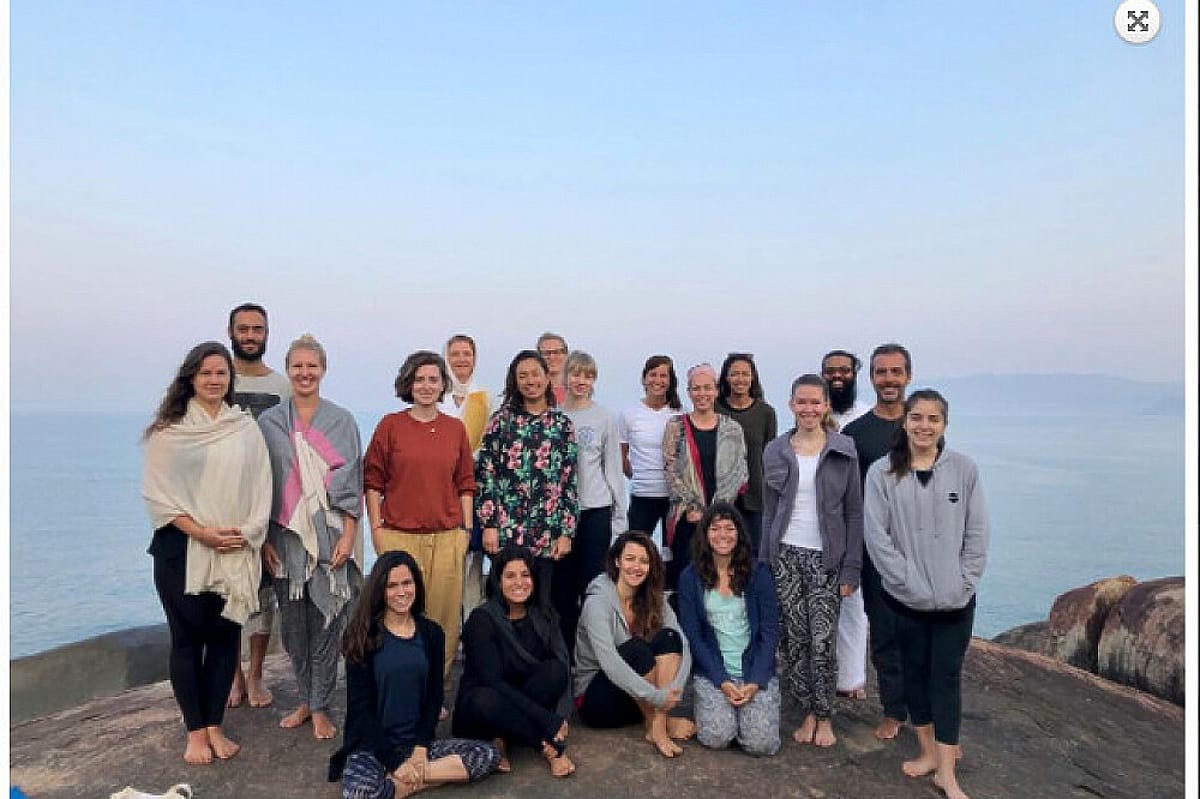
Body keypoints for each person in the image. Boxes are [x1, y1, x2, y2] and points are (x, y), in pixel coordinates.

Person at [142, 341, 272, 764]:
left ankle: (216, 725)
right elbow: (160, 497)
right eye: (206, 373)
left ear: (229, 380)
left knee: (224, 639)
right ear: (190, 379)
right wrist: (202, 533)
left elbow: (260, 485)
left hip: (235, 547)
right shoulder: (170, 432)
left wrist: (249, 532)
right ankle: (195, 733)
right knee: (186, 640)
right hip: (182, 549)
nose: (214, 380)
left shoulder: (244, 428)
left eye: (221, 374)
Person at [864, 390, 988, 799]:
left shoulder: (963, 470)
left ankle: (947, 772)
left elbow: (977, 533)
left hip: (955, 601)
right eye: (916, 417)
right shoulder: (883, 473)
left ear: (944, 425)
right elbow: (877, 537)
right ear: (905, 422)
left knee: (946, 679)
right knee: (914, 675)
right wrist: (905, 582)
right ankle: (927, 753)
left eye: (933, 419)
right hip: (905, 599)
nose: (923, 425)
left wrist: (964, 581)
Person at [258, 334, 363, 740]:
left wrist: (350, 535)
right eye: (297, 366)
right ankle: (305, 698)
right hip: (285, 537)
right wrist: (265, 538)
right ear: (288, 370)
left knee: (328, 621)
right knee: (293, 627)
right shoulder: (270, 423)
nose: (305, 373)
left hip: (330, 534)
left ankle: (320, 704)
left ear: (323, 370)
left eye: (312, 366)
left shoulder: (342, 421)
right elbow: (264, 483)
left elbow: (351, 479)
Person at [329, 551, 501, 798]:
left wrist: (420, 748)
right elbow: (360, 711)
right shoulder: (362, 637)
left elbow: (433, 698)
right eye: (392, 585)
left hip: (418, 746)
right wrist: (395, 762)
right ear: (379, 590)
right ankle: (429, 777)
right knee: (358, 794)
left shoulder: (432, 634)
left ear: (417, 585)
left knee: (488, 755)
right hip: (374, 747)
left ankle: (400, 785)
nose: (401, 592)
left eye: (407, 583)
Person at [761, 374, 862, 748]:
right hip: (785, 553)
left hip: (826, 558)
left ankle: (825, 716)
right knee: (795, 641)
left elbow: (854, 512)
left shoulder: (843, 449)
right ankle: (807, 711)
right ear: (791, 405)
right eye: (801, 402)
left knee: (823, 641)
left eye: (815, 402)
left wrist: (852, 568)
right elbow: (769, 513)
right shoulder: (775, 450)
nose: (808, 409)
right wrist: (765, 564)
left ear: (826, 406)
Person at [364, 351, 475, 689]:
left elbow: (465, 482)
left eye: (433, 379)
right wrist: (376, 530)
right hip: (399, 536)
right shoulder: (390, 425)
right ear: (408, 383)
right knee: (396, 614)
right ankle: (396, 684)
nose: (426, 386)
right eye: (419, 379)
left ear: (443, 384)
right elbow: (373, 480)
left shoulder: (455, 429)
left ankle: (434, 689)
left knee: (441, 620)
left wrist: (465, 531)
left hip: (446, 537)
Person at [453, 546, 575, 777]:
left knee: (555, 671)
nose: (519, 582)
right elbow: (493, 682)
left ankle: (504, 738)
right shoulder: (482, 619)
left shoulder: (544, 615)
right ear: (498, 581)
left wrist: (560, 716)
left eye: (525, 575)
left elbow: (561, 664)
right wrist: (546, 721)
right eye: (510, 576)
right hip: (482, 707)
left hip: (519, 698)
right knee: (486, 699)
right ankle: (547, 747)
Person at [842, 343, 913, 741]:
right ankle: (892, 710)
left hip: (919, 549)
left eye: (896, 372)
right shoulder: (857, 434)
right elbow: (847, 499)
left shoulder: (921, 424)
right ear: (871, 378)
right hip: (873, 549)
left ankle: (925, 711)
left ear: (907, 376)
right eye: (882, 372)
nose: (889, 379)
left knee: (920, 632)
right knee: (884, 632)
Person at [475, 350, 578, 618]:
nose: (530, 381)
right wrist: (489, 525)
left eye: (535, 374)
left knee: (544, 607)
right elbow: (486, 474)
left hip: (547, 532)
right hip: (507, 531)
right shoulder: (501, 422)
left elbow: (569, 481)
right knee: (504, 607)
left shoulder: (562, 425)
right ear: (515, 381)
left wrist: (566, 532)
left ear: (547, 378)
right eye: (523, 375)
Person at [574, 531, 695, 758]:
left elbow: (683, 643)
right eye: (630, 559)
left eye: (644, 561)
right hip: (597, 702)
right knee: (638, 650)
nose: (636, 567)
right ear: (617, 561)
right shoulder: (598, 602)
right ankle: (660, 726)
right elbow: (610, 662)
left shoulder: (651, 597)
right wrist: (657, 696)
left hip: (635, 699)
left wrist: (673, 689)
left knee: (668, 637)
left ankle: (657, 723)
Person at [677, 503, 781, 756]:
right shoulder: (690, 578)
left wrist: (755, 681)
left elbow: (769, 633)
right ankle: (727, 715)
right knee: (716, 737)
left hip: (753, 670)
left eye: (729, 528)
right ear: (705, 533)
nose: (722, 535)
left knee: (762, 745)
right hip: (715, 672)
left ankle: (749, 715)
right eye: (715, 528)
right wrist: (721, 680)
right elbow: (694, 636)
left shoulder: (759, 574)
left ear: (739, 533)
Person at [226, 302, 290, 710]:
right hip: (222, 506)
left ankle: (255, 675)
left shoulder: (282, 385)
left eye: (257, 329)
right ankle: (231, 678)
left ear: (267, 334)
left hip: (269, 504)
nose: (250, 335)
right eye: (243, 329)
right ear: (231, 332)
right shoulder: (216, 377)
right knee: (227, 594)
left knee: (265, 597)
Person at [560, 350, 628, 650]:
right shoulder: (556, 416)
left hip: (596, 510)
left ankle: (594, 652)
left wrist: (618, 515)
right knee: (563, 591)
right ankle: (566, 653)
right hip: (562, 515)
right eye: (576, 374)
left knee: (594, 587)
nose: (581, 381)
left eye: (587, 376)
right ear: (566, 376)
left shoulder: (605, 417)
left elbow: (612, 468)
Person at [662, 363, 748, 590]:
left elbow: (739, 472)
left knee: (719, 578)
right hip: (686, 518)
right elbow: (670, 468)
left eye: (707, 388)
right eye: (696, 388)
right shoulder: (676, 426)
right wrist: (692, 507)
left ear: (716, 390)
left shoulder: (732, 428)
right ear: (688, 392)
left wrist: (715, 513)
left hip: (721, 520)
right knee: (685, 579)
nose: (702, 394)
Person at [820, 348, 872, 702]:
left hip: (863, 518)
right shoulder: (813, 415)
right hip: (822, 520)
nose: (837, 376)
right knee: (821, 600)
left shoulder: (869, 417)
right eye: (830, 371)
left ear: (856, 372)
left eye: (844, 370)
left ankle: (852, 677)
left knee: (855, 601)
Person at [438, 333, 493, 614]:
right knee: (447, 562)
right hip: (440, 489)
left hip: (475, 487)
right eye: (455, 353)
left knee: (473, 562)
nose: (461, 359)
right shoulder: (436, 396)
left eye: (467, 353)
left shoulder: (484, 399)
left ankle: (471, 625)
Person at [715, 353, 777, 552]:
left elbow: (769, 457)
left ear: (753, 378)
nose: (740, 379)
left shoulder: (766, 413)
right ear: (726, 377)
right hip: (721, 495)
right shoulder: (715, 409)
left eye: (745, 374)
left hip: (755, 496)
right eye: (735, 374)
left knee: (754, 554)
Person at [618, 356, 682, 548]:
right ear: (644, 378)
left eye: (663, 375)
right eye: (653, 374)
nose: (658, 380)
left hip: (674, 497)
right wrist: (637, 475)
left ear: (670, 381)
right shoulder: (629, 414)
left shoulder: (681, 413)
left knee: (673, 552)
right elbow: (621, 456)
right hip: (642, 494)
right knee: (635, 547)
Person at [536, 332, 570, 406]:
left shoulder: (577, 389)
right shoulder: (530, 390)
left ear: (566, 355)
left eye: (557, 352)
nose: (552, 357)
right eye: (546, 353)